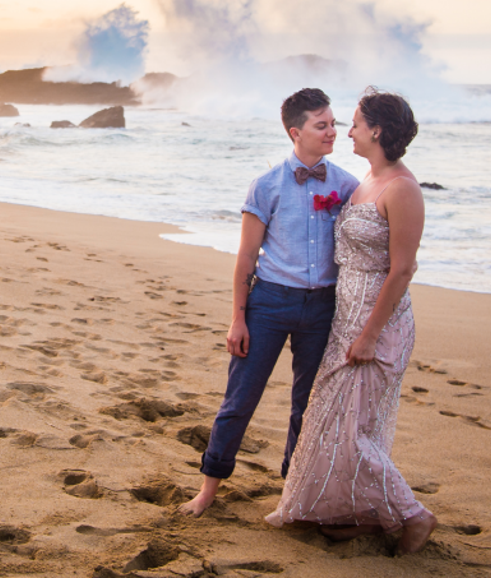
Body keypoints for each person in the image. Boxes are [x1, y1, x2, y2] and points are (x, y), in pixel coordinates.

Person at [264, 88, 436, 555]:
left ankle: (415, 516)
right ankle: (358, 512)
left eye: (356, 123)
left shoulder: (403, 188)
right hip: (346, 318)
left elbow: (402, 269)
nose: (348, 131)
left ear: (377, 130)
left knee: (354, 431)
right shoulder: (367, 179)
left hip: (377, 325)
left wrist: (370, 335)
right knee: (334, 421)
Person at [178, 88, 359, 517]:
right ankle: (208, 489)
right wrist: (237, 318)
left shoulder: (348, 186)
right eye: (322, 125)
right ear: (296, 132)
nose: (333, 131)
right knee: (240, 399)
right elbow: (246, 256)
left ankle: (292, 491)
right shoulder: (266, 186)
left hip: (322, 309)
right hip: (269, 304)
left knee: (308, 405)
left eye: (334, 123)